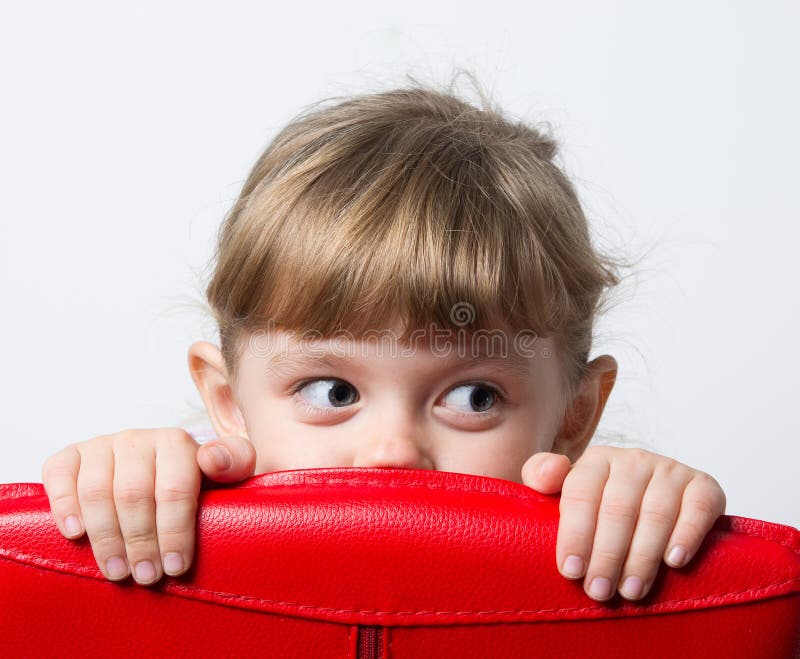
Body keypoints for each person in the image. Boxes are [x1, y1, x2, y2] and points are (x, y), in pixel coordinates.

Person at [40, 73, 726, 604]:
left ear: (574, 415)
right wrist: (117, 497)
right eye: (332, 390)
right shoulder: (182, 547)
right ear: (227, 399)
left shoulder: (600, 561)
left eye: (475, 396)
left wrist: (655, 524)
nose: (393, 451)